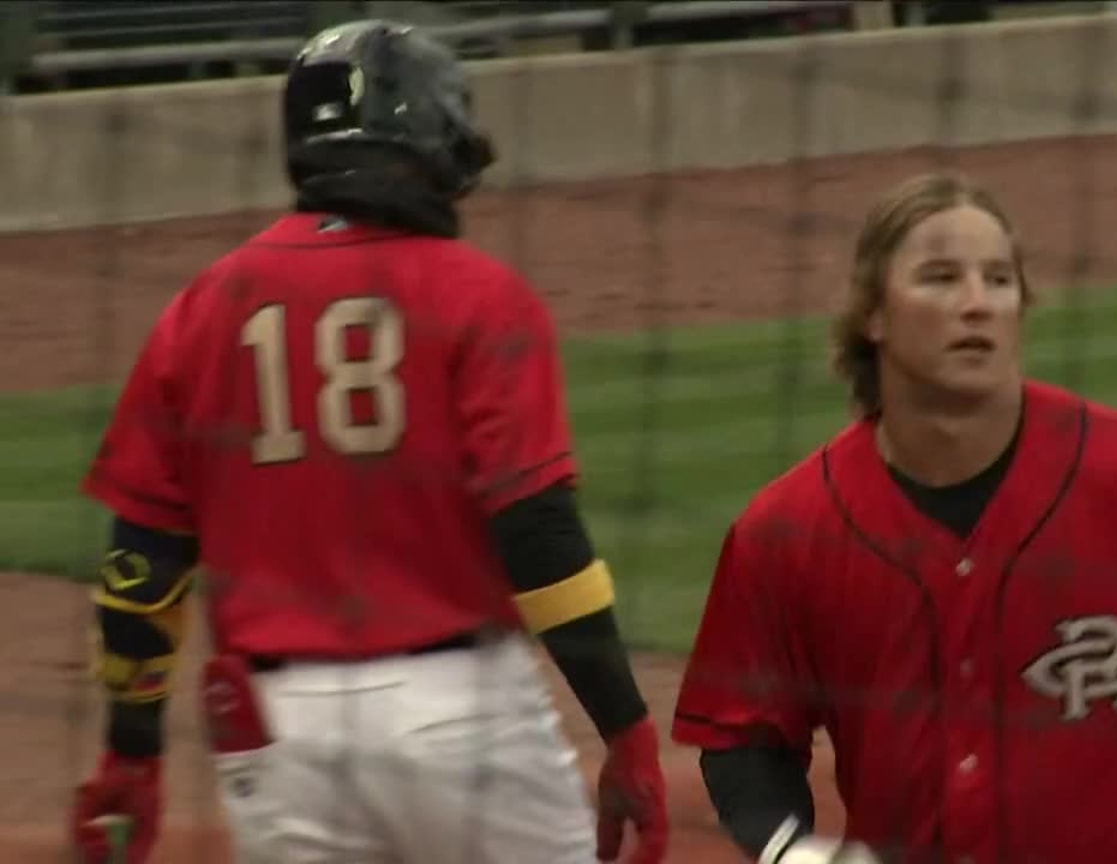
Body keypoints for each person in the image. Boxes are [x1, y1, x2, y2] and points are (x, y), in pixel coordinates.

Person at [68, 20, 667, 864]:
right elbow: (538, 535)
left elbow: (139, 572)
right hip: (464, 721)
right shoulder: (480, 295)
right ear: (426, 135)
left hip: (278, 740)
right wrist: (626, 726)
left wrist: (130, 749)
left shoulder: (202, 308)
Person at [671, 172, 1117, 863]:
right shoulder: (786, 531)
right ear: (874, 316)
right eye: (941, 278)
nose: (976, 304)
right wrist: (787, 851)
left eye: (999, 280)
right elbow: (742, 739)